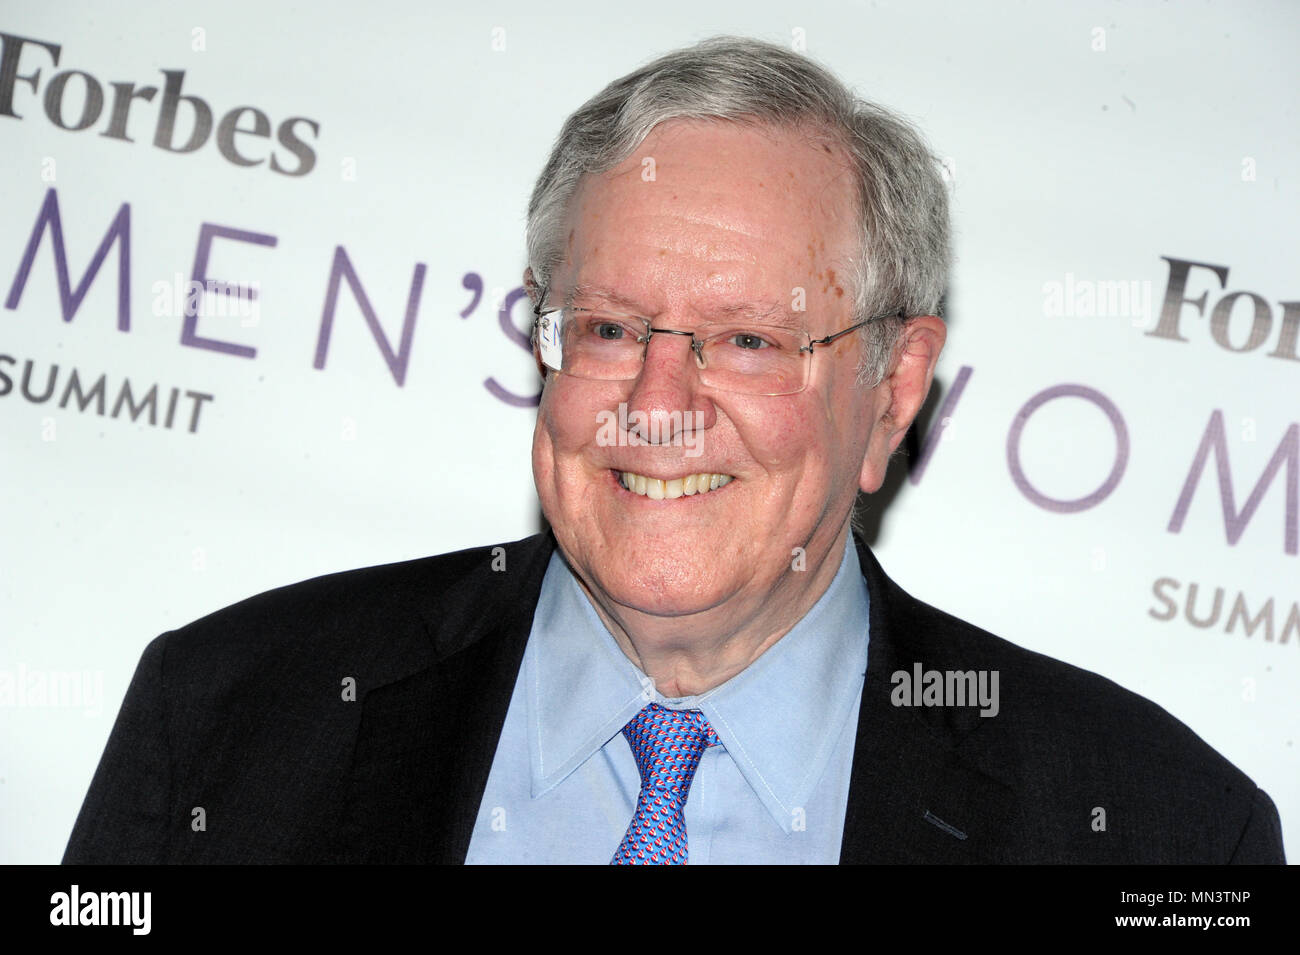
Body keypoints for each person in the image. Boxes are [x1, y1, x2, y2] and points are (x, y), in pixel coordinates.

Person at [64, 36, 1284, 865]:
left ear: (894, 388)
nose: (658, 402)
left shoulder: (1154, 832)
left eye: (747, 339)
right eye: (607, 327)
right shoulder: (229, 715)